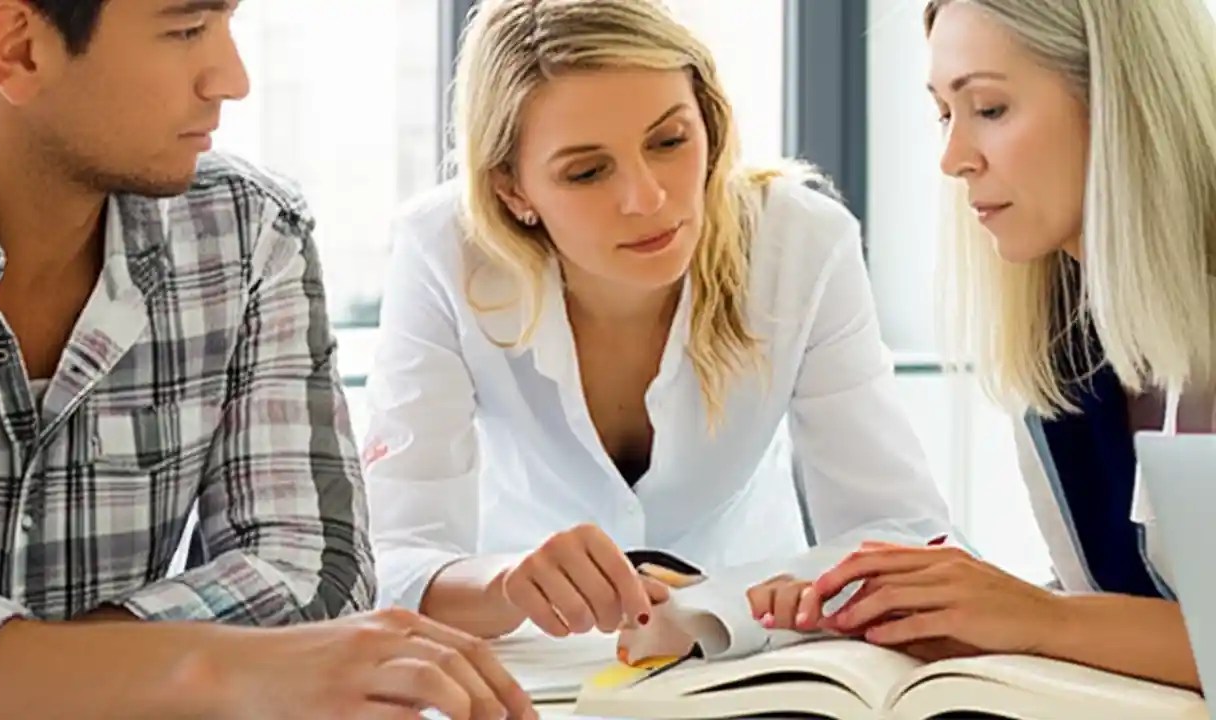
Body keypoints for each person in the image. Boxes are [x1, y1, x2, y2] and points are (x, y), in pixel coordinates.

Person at [0, 1, 533, 718]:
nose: (233, 78)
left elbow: (315, 581)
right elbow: (278, 655)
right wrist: (196, 670)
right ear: (20, 49)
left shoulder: (247, 232)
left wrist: (54, 675)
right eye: (185, 30)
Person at [365, 0, 953, 642]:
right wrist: (508, 583)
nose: (647, 198)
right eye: (587, 172)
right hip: (533, 667)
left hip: (754, 653)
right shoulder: (443, 251)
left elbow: (899, 530)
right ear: (512, 189)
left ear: (709, 122)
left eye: (669, 141)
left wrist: (750, 599)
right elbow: (389, 560)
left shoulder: (801, 244)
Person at [804, 0, 1216, 690]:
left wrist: (1044, 618)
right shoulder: (1066, 343)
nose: (952, 159)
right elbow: (1135, 604)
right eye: (944, 113)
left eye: (989, 108)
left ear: (1119, 101)